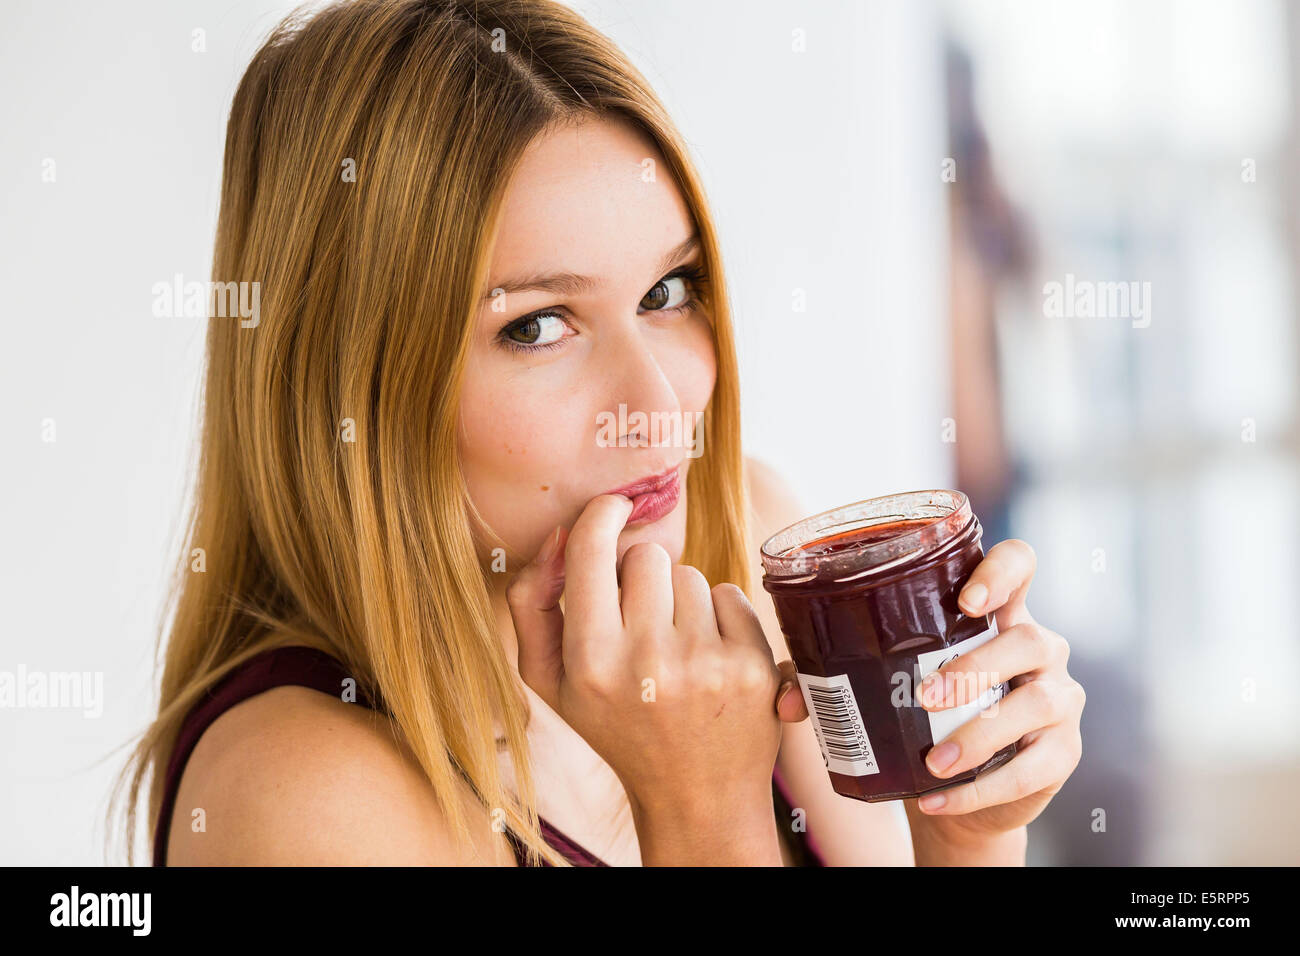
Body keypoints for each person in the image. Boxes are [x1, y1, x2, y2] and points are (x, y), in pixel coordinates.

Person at [113, 0, 1084, 867]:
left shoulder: (741, 529)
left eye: (667, 291)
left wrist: (966, 832)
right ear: (351, 382)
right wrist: (705, 816)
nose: (659, 407)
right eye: (537, 325)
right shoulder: (302, 791)